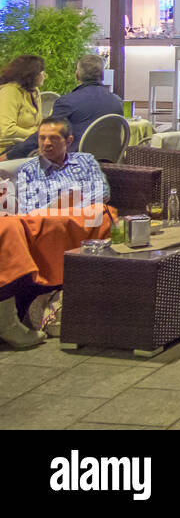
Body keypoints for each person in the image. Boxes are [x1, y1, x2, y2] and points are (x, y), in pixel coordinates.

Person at [0, 117, 115, 348]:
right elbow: (30, 208)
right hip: (47, 226)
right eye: (42, 138)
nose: (46, 143)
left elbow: (102, 192)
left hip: (81, 220)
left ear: (68, 141)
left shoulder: (85, 161)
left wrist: (70, 205)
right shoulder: (30, 169)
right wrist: (64, 204)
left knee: (104, 214)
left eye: (53, 138)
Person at [5, 55, 123, 160]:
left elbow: (46, 135)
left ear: (77, 75)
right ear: (102, 75)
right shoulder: (117, 102)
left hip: (73, 165)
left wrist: (9, 156)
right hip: (112, 163)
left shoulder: (67, 102)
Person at [0, 55, 44, 158]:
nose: (44, 75)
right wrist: (35, 134)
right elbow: (6, 130)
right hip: (8, 149)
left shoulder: (34, 91)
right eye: (41, 72)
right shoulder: (10, 92)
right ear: (32, 74)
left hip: (27, 145)